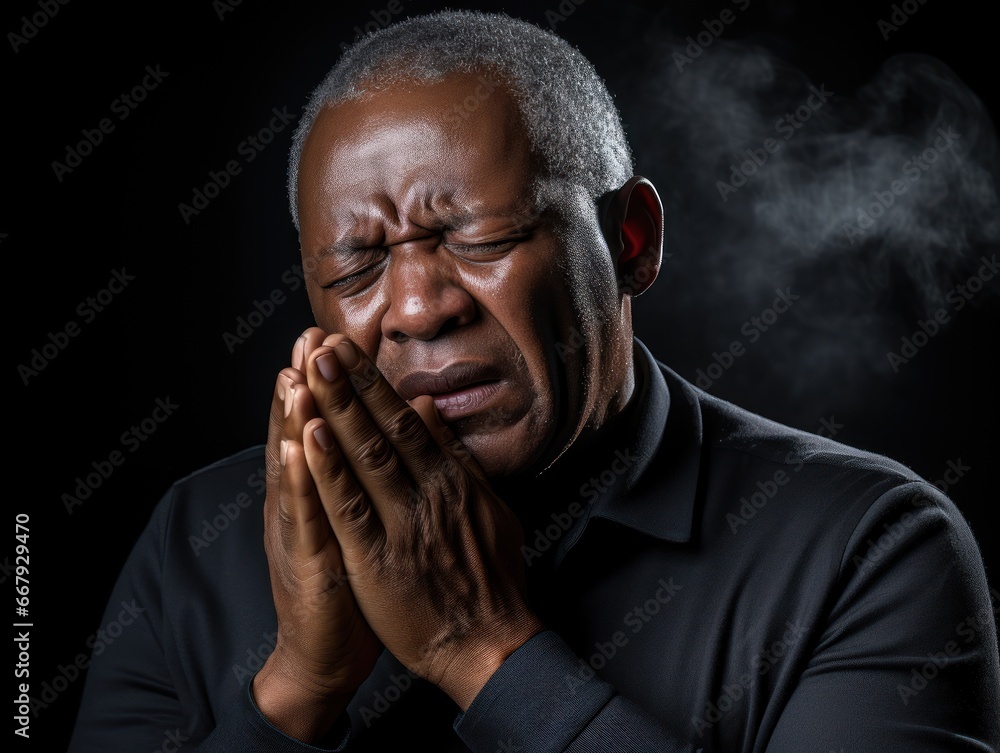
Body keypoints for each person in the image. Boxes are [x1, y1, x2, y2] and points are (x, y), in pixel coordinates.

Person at [67, 10, 999, 752]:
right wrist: (296, 692)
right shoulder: (196, 539)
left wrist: (483, 652)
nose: (417, 307)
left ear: (631, 241)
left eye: (481, 237)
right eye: (356, 268)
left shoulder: (866, 550)